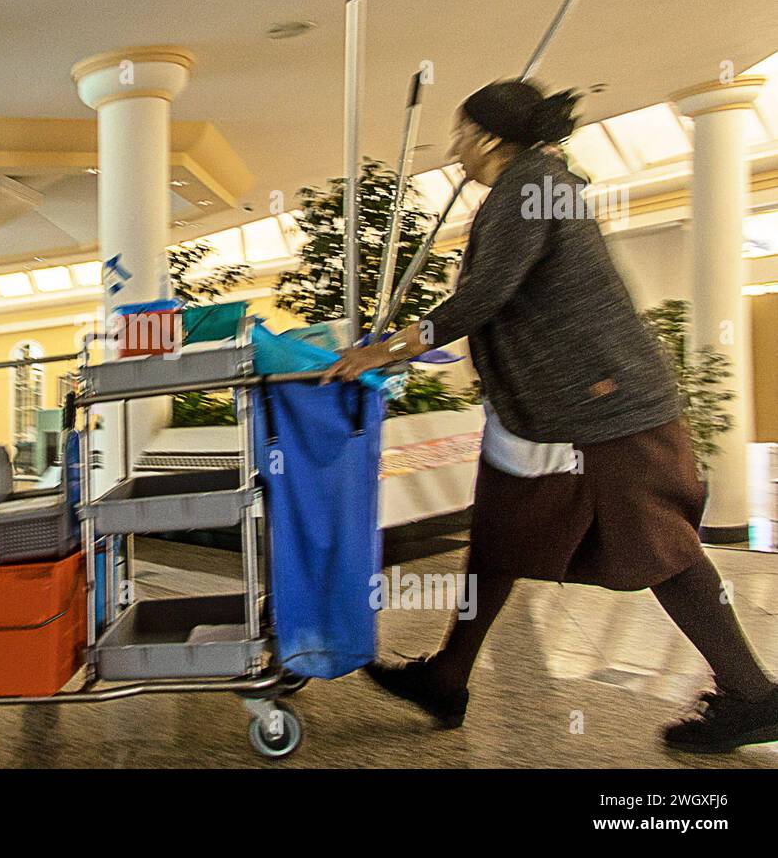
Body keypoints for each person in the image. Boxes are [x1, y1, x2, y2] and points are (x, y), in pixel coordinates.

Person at [321, 79, 778, 752]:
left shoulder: (528, 188)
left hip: (608, 408)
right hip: (550, 413)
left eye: (462, 134)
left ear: (491, 138)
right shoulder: (539, 185)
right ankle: (448, 676)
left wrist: (384, 350)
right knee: (500, 535)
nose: (454, 149)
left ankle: (754, 695)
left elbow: (484, 297)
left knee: (666, 551)